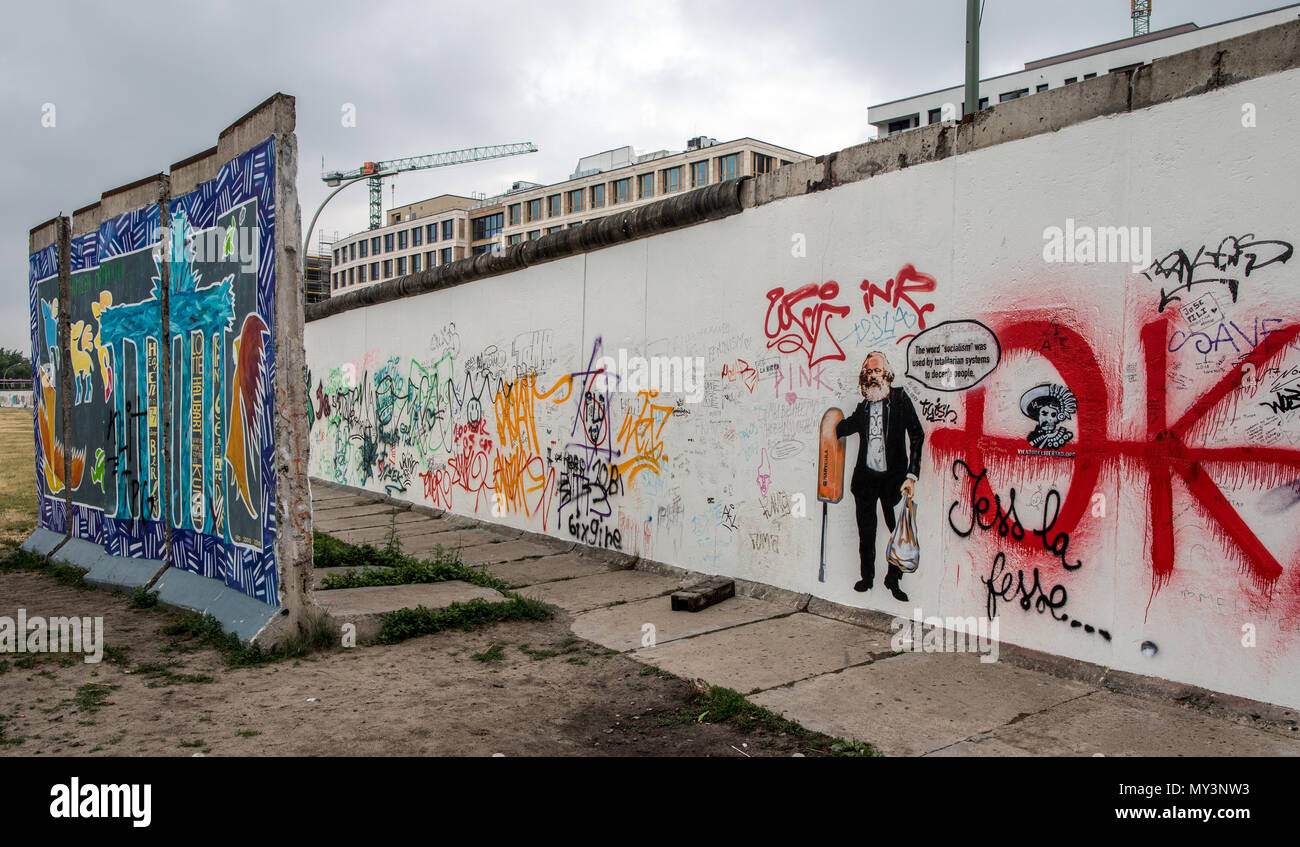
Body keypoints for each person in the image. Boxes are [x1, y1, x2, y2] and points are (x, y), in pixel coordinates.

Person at [835, 351, 924, 601]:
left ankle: (893, 579)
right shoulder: (864, 407)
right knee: (867, 533)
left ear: (887, 373)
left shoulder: (900, 399)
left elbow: (917, 435)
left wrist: (911, 476)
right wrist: (834, 425)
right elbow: (847, 427)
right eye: (868, 372)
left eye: (877, 370)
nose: (873, 376)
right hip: (865, 482)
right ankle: (867, 578)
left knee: (897, 532)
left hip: (892, 481)